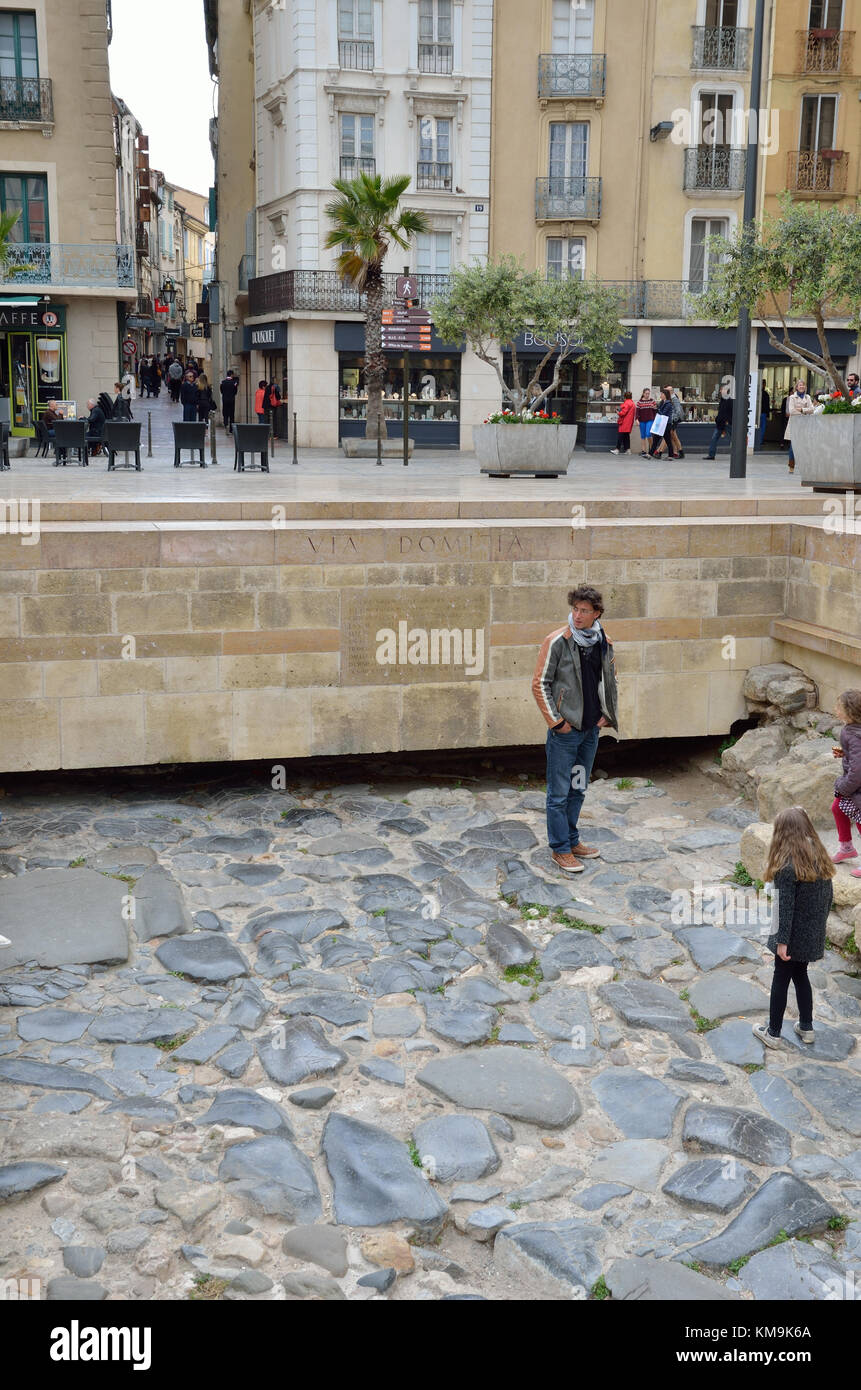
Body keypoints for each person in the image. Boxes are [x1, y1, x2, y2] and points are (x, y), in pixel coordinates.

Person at [531, 585, 619, 875]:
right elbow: (539, 683)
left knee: (578, 788)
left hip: (590, 733)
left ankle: (571, 839)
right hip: (565, 735)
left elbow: (611, 678)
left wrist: (606, 713)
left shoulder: (603, 641)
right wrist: (557, 722)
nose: (577, 615)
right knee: (558, 793)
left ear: (596, 613)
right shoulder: (557, 641)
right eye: (575, 609)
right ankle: (560, 849)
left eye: (584, 611)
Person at [752, 807, 834, 1050]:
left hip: (791, 937)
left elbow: (784, 909)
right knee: (801, 975)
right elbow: (826, 899)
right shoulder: (819, 859)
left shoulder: (787, 868)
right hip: (811, 934)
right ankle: (806, 1027)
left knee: (781, 977)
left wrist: (782, 942)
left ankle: (773, 1033)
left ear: (782, 835)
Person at [830, 689, 861, 876]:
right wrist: (844, 753)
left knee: (859, 820)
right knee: (837, 807)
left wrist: (843, 787)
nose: (835, 710)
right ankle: (847, 847)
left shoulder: (854, 735)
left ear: (849, 712)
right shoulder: (853, 730)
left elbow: (858, 770)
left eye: (838, 707)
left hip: (855, 786)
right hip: (854, 785)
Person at [784, 378, 814, 472]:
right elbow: (791, 411)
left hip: (805, 424)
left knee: (805, 446)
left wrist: (801, 410)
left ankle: (805, 466)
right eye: (800, 385)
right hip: (794, 424)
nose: (802, 387)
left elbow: (812, 409)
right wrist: (805, 410)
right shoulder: (792, 397)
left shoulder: (807, 397)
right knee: (793, 446)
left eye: (803, 385)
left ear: (805, 387)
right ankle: (791, 466)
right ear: (796, 387)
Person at [650, 387, 679, 459]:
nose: (661, 395)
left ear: (665, 395)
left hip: (666, 424)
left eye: (662, 394)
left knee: (665, 440)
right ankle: (651, 454)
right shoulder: (662, 402)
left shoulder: (668, 403)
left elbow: (663, 413)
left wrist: (656, 409)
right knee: (662, 440)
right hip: (662, 423)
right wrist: (656, 409)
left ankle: (670, 455)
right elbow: (659, 411)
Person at [704, 389, 733, 459]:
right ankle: (711, 455)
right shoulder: (723, 400)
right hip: (720, 423)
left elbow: (730, 412)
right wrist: (717, 419)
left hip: (726, 423)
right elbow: (721, 412)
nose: (720, 391)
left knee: (734, 439)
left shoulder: (730, 400)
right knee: (714, 438)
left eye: (721, 390)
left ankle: (737, 454)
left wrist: (728, 421)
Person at [635, 389, 657, 457]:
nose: (647, 395)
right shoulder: (639, 402)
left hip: (650, 419)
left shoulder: (652, 401)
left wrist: (655, 408)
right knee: (643, 436)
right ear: (643, 393)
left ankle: (652, 449)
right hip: (642, 420)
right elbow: (637, 412)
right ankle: (643, 451)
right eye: (646, 393)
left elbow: (655, 411)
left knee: (648, 434)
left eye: (648, 393)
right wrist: (637, 420)